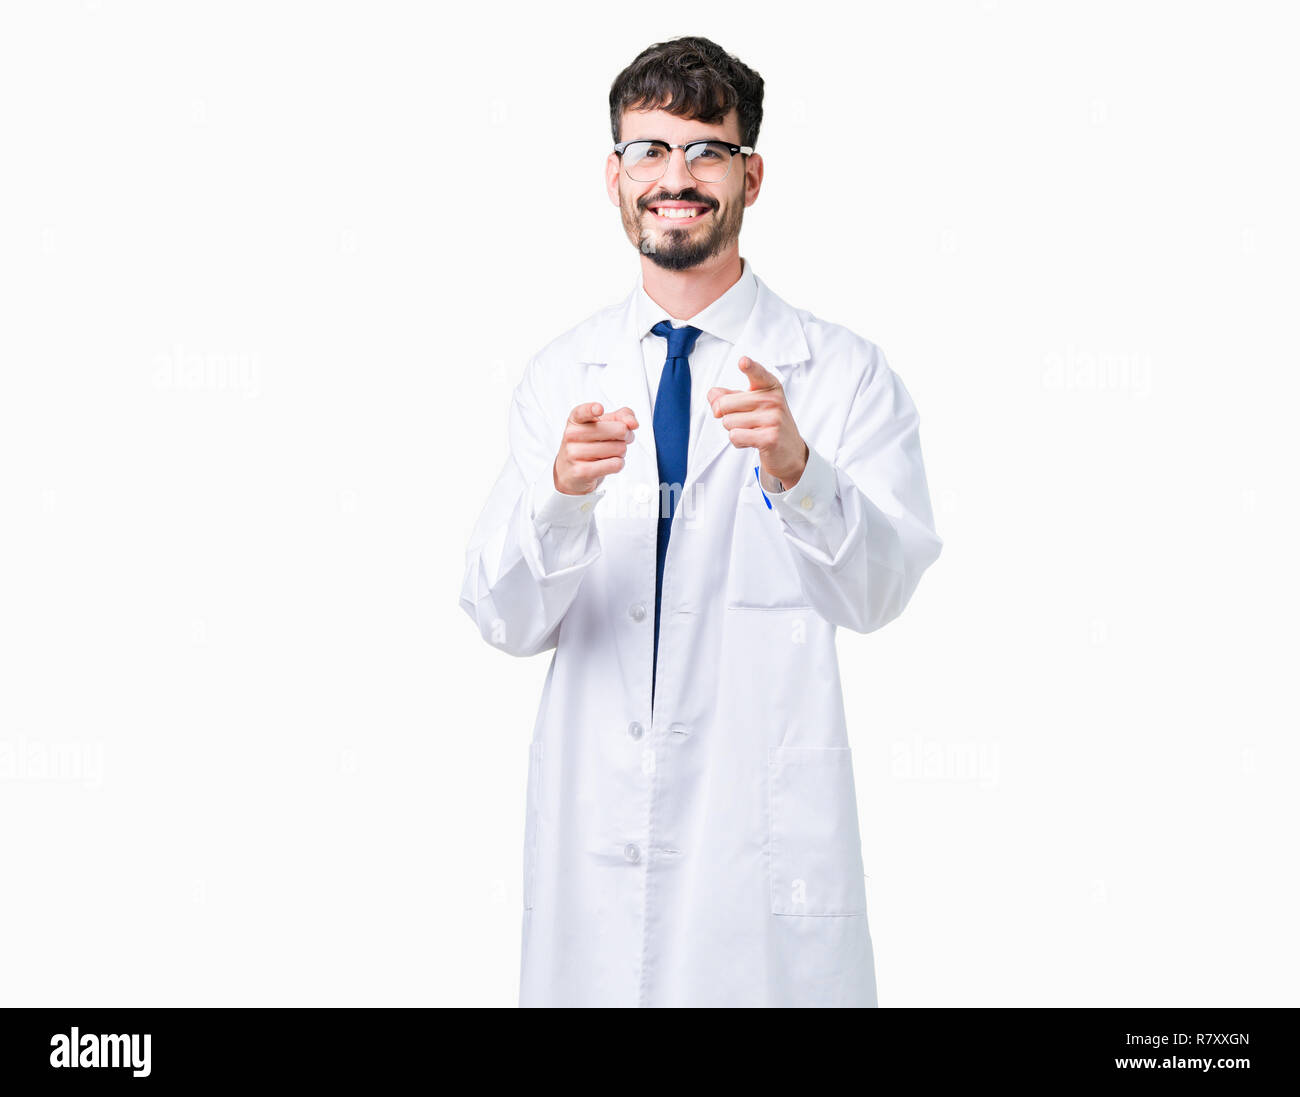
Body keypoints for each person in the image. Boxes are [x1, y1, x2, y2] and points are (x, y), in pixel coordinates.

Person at [460, 35, 942, 1007]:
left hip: (757, 861)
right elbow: (502, 617)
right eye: (648, 151)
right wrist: (559, 498)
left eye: (704, 151)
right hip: (597, 846)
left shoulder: (840, 373)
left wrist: (800, 472)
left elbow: (880, 594)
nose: (673, 179)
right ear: (614, 177)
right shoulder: (562, 376)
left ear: (749, 176)